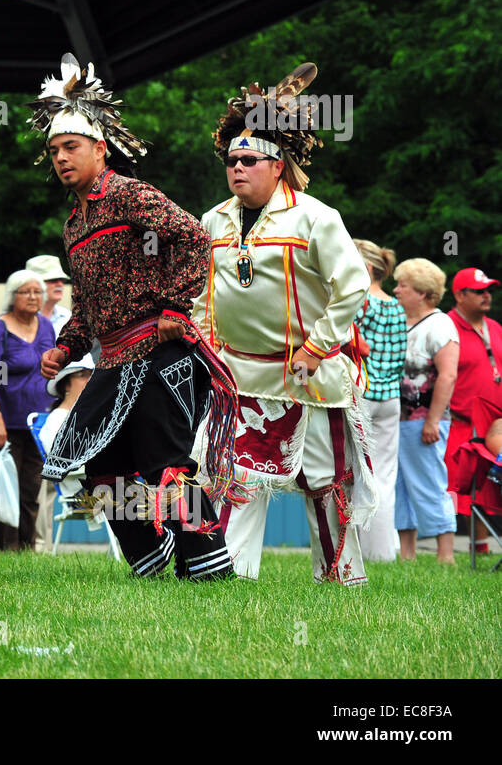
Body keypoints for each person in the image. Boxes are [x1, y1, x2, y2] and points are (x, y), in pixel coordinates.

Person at [35, 54, 238, 581]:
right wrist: (66, 345)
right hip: (112, 359)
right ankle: (151, 553)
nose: (61, 158)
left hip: (160, 351)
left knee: (167, 464)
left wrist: (174, 306)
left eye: (71, 147)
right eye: (54, 150)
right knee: (98, 463)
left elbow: (192, 237)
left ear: (100, 148)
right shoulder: (74, 224)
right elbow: (87, 302)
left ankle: (209, 568)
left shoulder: (128, 194)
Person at [193, 63, 376, 586]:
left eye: (249, 160)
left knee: (324, 481)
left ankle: (339, 578)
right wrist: (205, 348)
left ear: (276, 166)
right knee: (235, 477)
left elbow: (353, 285)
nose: (237, 168)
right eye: (231, 161)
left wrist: (317, 347)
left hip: (309, 376)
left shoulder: (315, 217)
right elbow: (203, 296)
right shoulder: (214, 221)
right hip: (238, 375)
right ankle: (227, 579)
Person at [0, 270, 56, 551]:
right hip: (4, 422)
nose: (33, 297)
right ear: (13, 296)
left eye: (37, 292)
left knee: (30, 490)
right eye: (26, 291)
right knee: (1, 489)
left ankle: (25, 549)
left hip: (37, 424)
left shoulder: (46, 327)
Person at [391, 259, 458, 563]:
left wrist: (432, 420)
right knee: (400, 485)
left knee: (430, 482)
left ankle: (446, 554)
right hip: (396, 420)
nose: (396, 290)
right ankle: (407, 554)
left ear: (422, 292)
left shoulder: (440, 325)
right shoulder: (398, 322)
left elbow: (447, 376)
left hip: (425, 422)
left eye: (403, 285)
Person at [352, 240, 406, 562]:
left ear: (367, 268)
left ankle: (358, 549)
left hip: (362, 394)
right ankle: (383, 552)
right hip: (391, 398)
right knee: (384, 475)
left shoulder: (359, 302)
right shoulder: (396, 307)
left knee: (356, 473)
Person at [445, 267, 502, 552]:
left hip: (496, 423)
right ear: (460, 295)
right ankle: (458, 546)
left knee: (489, 485)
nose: (486, 295)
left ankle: (480, 546)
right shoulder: (447, 326)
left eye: (488, 290)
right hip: (459, 421)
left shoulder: (495, 327)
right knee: (462, 487)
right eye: (479, 291)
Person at [34, 353, 94, 552]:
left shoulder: (86, 417)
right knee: (149, 495)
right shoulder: (56, 421)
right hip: (83, 491)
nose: (90, 381)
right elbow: (62, 465)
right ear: (67, 384)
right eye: (83, 375)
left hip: (102, 484)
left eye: (91, 375)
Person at [26, 255, 72, 334]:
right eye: (53, 280)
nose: (60, 284)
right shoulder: (18, 318)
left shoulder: (68, 317)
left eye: (62, 280)